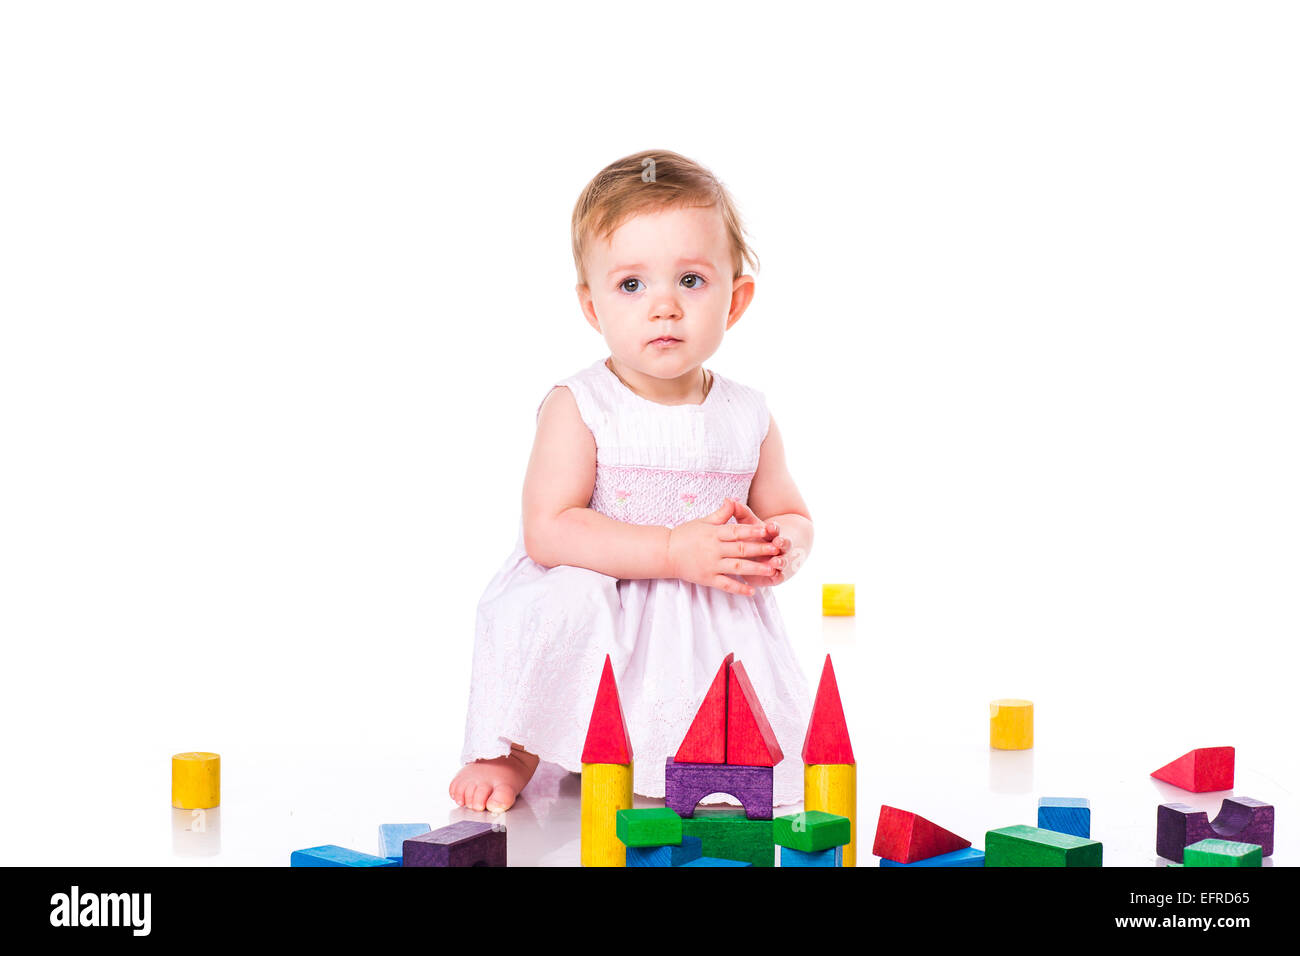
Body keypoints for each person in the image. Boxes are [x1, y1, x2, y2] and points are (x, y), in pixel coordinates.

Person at [450, 149, 814, 814]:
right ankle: (515, 749)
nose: (665, 307)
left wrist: (783, 543)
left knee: (731, 719)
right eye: (631, 286)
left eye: (693, 281)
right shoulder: (582, 404)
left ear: (736, 300)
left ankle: (692, 754)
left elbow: (788, 508)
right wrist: (672, 550)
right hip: (602, 587)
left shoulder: (747, 413)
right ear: (592, 307)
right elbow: (549, 529)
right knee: (560, 611)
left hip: (705, 608)